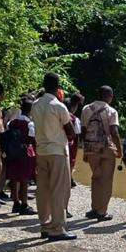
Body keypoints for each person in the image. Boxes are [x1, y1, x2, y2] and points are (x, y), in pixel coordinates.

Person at [30, 73, 77, 242]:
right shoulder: (59, 106)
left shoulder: (35, 105)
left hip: (41, 151)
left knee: (42, 189)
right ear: (58, 88)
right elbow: (71, 132)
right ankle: (57, 228)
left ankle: (45, 225)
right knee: (58, 189)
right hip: (57, 151)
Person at [80, 85, 121, 222]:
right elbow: (114, 132)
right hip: (106, 148)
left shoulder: (86, 109)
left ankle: (94, 208)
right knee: (107, 180)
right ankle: (102, 212)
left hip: (91, 148)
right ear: (109, 96)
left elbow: (83, 131)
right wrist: (120, 150)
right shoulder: (111, 111)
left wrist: (85, 150)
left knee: (96, 177)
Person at [5, 97, 37, 215]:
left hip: (12, 152)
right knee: (24, 179)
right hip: (25, 153)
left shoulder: (11, 123)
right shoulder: (30, 124)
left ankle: (16, 203)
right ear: (31, 110)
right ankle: (24, 204)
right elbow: (33, 140)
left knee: (14, 178)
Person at [66, 93, 84, 186]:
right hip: (71, 144)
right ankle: (69, 179)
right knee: (71, 160)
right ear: (74, 107)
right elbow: (77, 132)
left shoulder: (59, 116)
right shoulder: (74, 119)